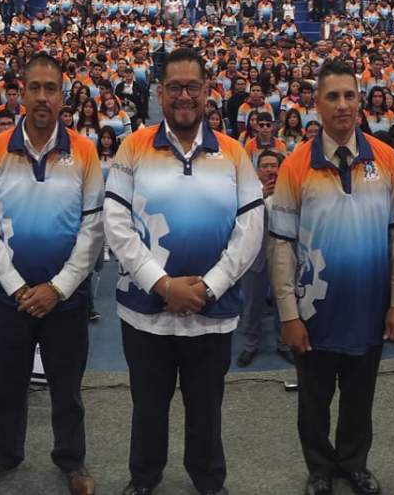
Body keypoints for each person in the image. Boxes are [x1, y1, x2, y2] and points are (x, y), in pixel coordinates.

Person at [105, 47, 262, 495]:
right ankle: (144, 478)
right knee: (148, 406)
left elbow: (251, 227)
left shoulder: (233, 152)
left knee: (206, 408)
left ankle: (209, 480)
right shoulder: (133, 146)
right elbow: (115, 224)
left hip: (211, 313)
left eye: (193, 86)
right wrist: (161, 284)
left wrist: (209, 288)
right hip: (144, 310)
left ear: (208, 91)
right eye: (174, 87)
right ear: (160, 92)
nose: (184, 96)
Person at [269, 58, 394, 495]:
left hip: (369, 308)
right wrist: (289, 315)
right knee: (314, 402)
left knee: (359, 398)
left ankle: (353, 463)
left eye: (350, 95)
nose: (343, 105)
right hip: (314, 313)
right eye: (333, 96)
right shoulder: (295, 166)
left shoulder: (385, 158)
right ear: (316, 105)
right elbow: (281, 245)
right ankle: (319, 469)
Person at [0, 53, 104, 495]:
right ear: (21, 93)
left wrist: (58, 288)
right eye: (35, 88)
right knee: (7, 385)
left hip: (67, 298)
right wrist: (19, 287)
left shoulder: (84, 150)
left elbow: (94, 228)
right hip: (11, 296)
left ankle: (72, 461)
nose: (42, 97)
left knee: (68, 389)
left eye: (51, 89)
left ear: (63, 96)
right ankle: (4, 452)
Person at [236, 148, 285, 367]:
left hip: (283, 257)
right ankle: (249, 345)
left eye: (273, 166)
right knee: (252, 304)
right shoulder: (247, 192)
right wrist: (261, 196)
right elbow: (237, 218)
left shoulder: (289, 190)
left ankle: (284, 343)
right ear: (257, 171)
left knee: (283, 303)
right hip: (254, 257)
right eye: (265, 166)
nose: (269, 170)